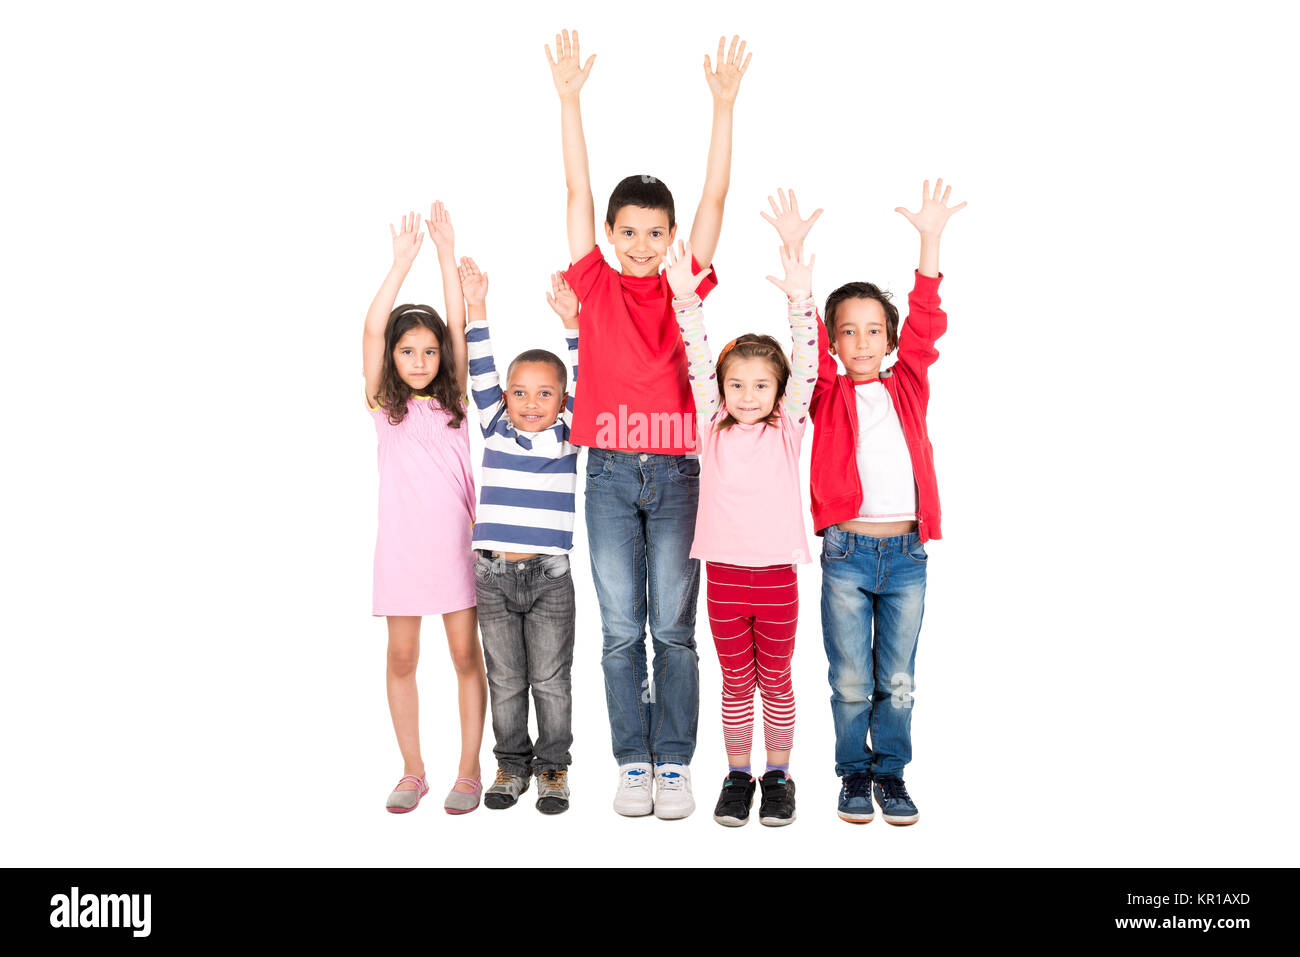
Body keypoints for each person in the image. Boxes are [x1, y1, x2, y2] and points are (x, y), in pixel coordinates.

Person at [545, 27, 750, 819]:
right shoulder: (592, 279)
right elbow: (573, 192)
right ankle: (633, 760)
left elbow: (715, 199)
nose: (640, 244)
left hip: (676, 472)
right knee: (622, 628)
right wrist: (568, 99)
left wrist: (723, 108)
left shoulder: (682, 289)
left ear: (671, 241)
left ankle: (676, 763)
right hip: (606, 470)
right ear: (609, 235)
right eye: (626, 231)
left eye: (654, 234)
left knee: (673, 626)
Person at [804, 179, 965, 825]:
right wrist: (797, 276)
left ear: (890, 339)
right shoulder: (825, 393)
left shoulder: (908, 385)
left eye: (875, 330)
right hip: (846, 551)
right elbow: (806, 344)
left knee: (897, 679)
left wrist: (929, 240)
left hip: (906, 554)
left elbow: (927, 324)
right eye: (850, 331)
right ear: (835, 342)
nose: (863, 341)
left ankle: (891, 772)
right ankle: (853, 774)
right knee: (849, 680)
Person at [667, 226, 818, 827]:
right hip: (726, 577)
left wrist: (800, 302)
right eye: (737, 385)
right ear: (721, 390)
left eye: (761, 386)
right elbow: (698, 354)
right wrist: (686, 301)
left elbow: (807, 366)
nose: (747, 395)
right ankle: (738, 774)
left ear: (778, 392)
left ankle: (779, 774)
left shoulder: (787, 428)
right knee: (735, 680)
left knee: (775, 677)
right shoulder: (711, 423)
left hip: (777, 576)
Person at [363, 203, 487, 815]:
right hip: (402, 554)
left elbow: (460, 332)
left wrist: (444, 256)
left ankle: (469, 769)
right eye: (407, 351)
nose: (420, 360)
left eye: (428, 352)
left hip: (456, 550)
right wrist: (399, 263)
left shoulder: (454, 402)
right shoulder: (385, 407)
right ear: (392, 358)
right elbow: (369, 333)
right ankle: (413, 770)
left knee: (467, 656)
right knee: (402, 658)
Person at [460, 257, 581, 815]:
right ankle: (511, 766)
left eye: (545, 394)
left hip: (550, 576)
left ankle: (553, 768)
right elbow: (481, 370)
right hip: (490, 573)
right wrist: (477, 308)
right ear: (505, 397)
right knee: (506, 679)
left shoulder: (570, 436)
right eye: (520, 392)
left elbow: (587, 378)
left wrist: (572, 325)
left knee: (551, 681)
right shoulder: (494, 425)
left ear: (561, 401)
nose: (531, 404)